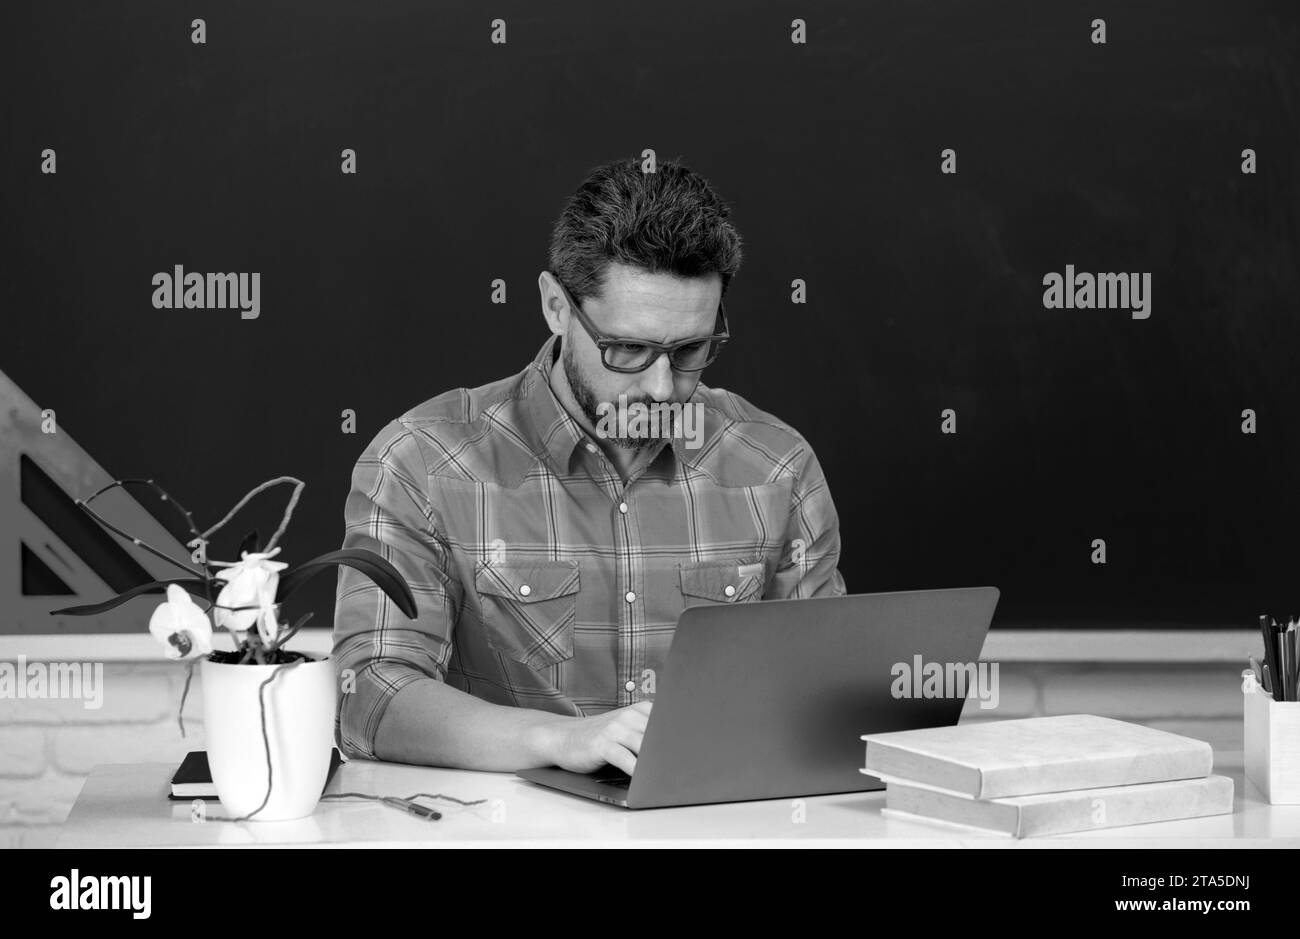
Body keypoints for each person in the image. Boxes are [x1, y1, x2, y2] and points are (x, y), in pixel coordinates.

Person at [332, 156, 846, 774]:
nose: (661, 388)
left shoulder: (776, 465)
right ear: (556, 306)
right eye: (627, 348)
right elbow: (369, 695)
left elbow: (824, 690)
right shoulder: (420, 461)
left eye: (690, 350)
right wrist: (560, 741)